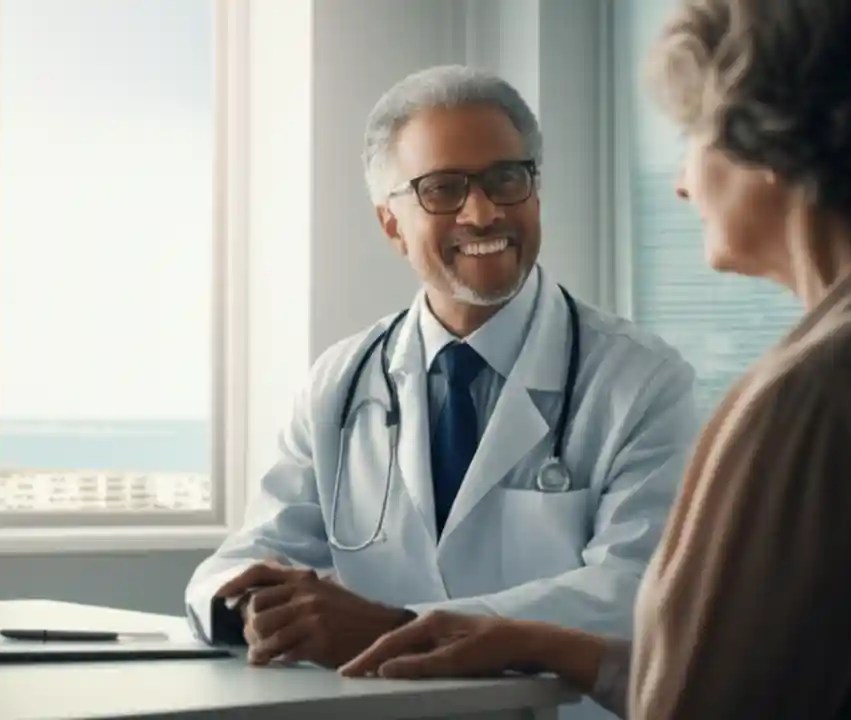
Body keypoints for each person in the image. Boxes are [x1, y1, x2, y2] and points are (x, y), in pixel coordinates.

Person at [341, 1, 851, 718]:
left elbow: (701, 711)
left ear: (772, 143)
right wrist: (543, 643)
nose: (681, 182)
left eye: (692, 134)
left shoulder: (830, 389)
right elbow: (783, 677)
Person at [184, 65, 699, 689]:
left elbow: (634, 593)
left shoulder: (639, 380)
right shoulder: (341, 382)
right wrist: (254, 610)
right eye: (442, 189)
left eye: (506, 179)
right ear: (392, 223)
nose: (482, 214)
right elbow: (247, 558)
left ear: (535, 191)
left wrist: (390, 625)